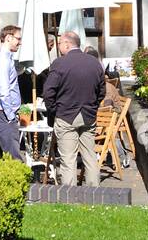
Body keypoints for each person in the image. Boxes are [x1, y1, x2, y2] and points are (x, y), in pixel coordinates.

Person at [42, 30, 105, 187]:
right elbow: (101, 91)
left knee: (68, 159)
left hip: (66, 115)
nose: (58, 47)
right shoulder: (94, 63)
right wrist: (92, 106)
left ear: (67, 44)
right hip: (88, 115)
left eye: (60, 43)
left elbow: (48, 92)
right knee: (90, 157)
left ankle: (70, 198)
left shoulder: (59, 63)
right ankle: (95, 194)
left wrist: (54, 110)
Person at [0, 24, 23, 160]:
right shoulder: (3, 60)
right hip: (2, 113)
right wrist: (10, 116)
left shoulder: (7, 58)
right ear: (8, 38)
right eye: (18, 39)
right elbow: (4, 91)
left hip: (0, 113)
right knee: (14, 158)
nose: (19, 43)